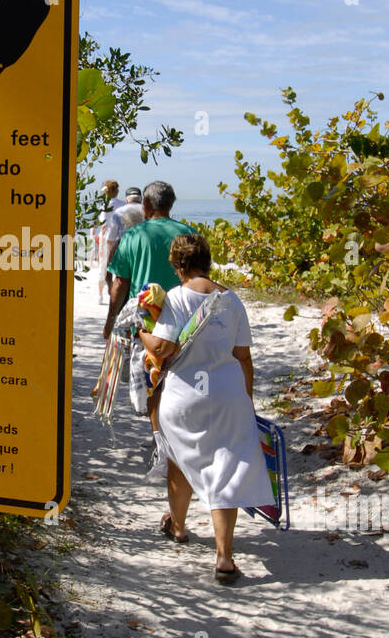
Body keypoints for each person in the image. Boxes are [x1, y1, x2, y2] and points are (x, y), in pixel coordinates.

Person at [139, 232, 272, 583]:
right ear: (207, 260)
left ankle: (178, 527)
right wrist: (247, 399)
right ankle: (224, 558)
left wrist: (139, 331)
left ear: (179, 266)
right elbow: (244, 357)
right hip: (228, 391)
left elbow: (163, 347)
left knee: (180, 460)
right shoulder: (232, 301)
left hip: (185, 395)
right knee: (226, 468)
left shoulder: (178, 298)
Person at [103, 181, 195, 338]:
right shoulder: (190, 234)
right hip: (182, 325)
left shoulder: (132, 235)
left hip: (143, 325)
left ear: (146, 203)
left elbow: (120, 284)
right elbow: (199, 279)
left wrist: (110, 321)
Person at [97, 180, 125, 304]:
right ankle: (114, 291)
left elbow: (102, 222)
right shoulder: (122, 204)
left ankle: (100, 294)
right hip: (119, 238)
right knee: (118, 267)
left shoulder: (104, 205)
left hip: (106, 237)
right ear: (117, 190)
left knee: (103, 266)